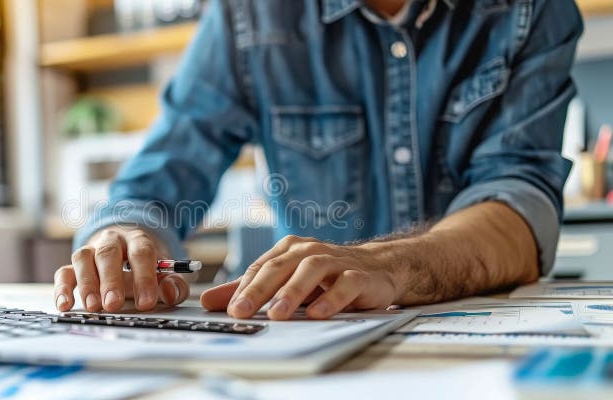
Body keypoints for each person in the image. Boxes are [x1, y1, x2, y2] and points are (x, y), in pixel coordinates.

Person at [53, 0, 583, 320]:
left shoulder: (529, 10)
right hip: (301, 339)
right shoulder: (249, 14)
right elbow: (157, 184)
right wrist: (123, 236)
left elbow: (519, 208)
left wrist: (390, 264)